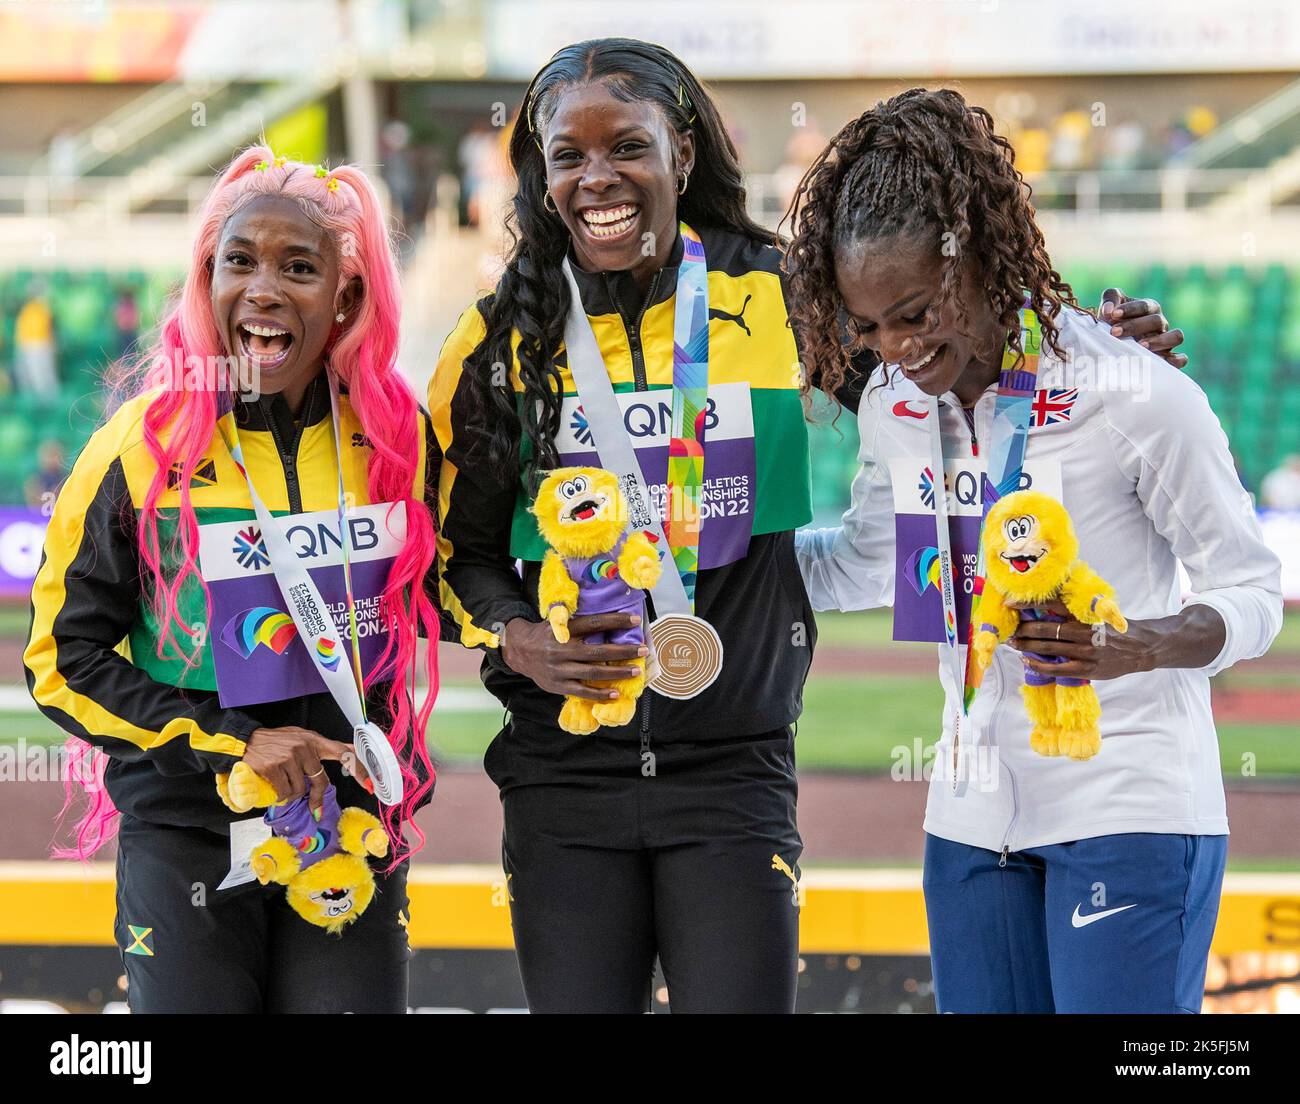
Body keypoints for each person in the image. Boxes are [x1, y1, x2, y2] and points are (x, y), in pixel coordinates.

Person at [429, 42, 1177, 1014]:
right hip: (561, 775)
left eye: (627, 147)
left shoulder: (782, 296)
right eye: (566, 155)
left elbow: (952, 367)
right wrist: (524, 642)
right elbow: (455, 559)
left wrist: (1096, 349)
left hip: (734, 773)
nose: (596, 177)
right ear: (541, 173)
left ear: (684, 153)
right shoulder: (498, 339)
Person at [785, 88, 1283, 1013]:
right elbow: (863, 560)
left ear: (973, 254)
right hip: (971, 814)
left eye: (918, 312)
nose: (896, 349)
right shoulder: (894, 407)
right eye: (870, 328)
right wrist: (719, 558)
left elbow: (1253, 589)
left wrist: (1138, 643)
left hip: (1129, 801)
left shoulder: (1132, 391)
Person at [24, 147, 441, 1013]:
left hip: (348, 826)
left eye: (300, 268)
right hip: (186, 834)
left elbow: (458, 590)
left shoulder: (399, 445)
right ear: (206, 279)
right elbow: (61, 660)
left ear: (346, 297)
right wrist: (231, 739)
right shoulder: (141, 448)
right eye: (239, 261)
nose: (263, 289)